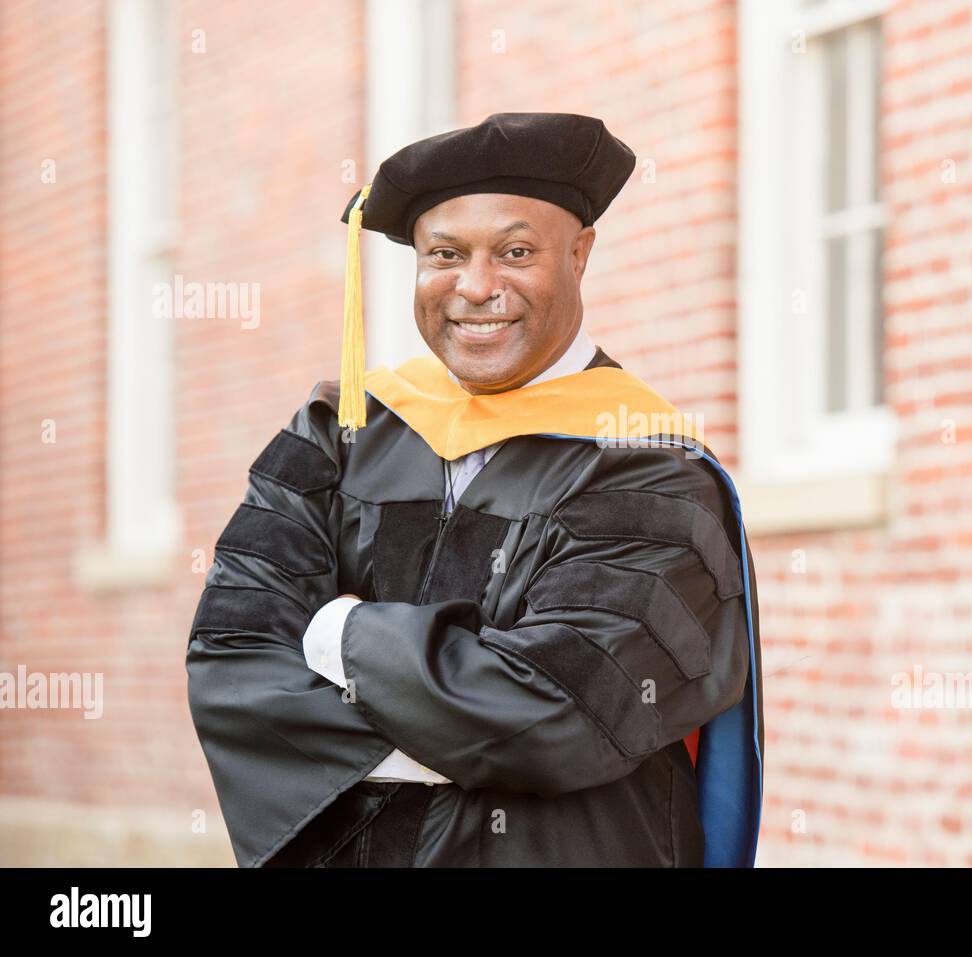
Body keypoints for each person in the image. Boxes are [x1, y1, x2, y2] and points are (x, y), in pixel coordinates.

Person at [186, 112, 764, 868]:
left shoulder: (649, 467)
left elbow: (552, 714)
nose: (477, 287)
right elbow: (233, 660)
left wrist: (336, 633)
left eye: (516, 251)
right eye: (445, 255)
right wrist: (448, 741)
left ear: (581, 254)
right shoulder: (336, 433)